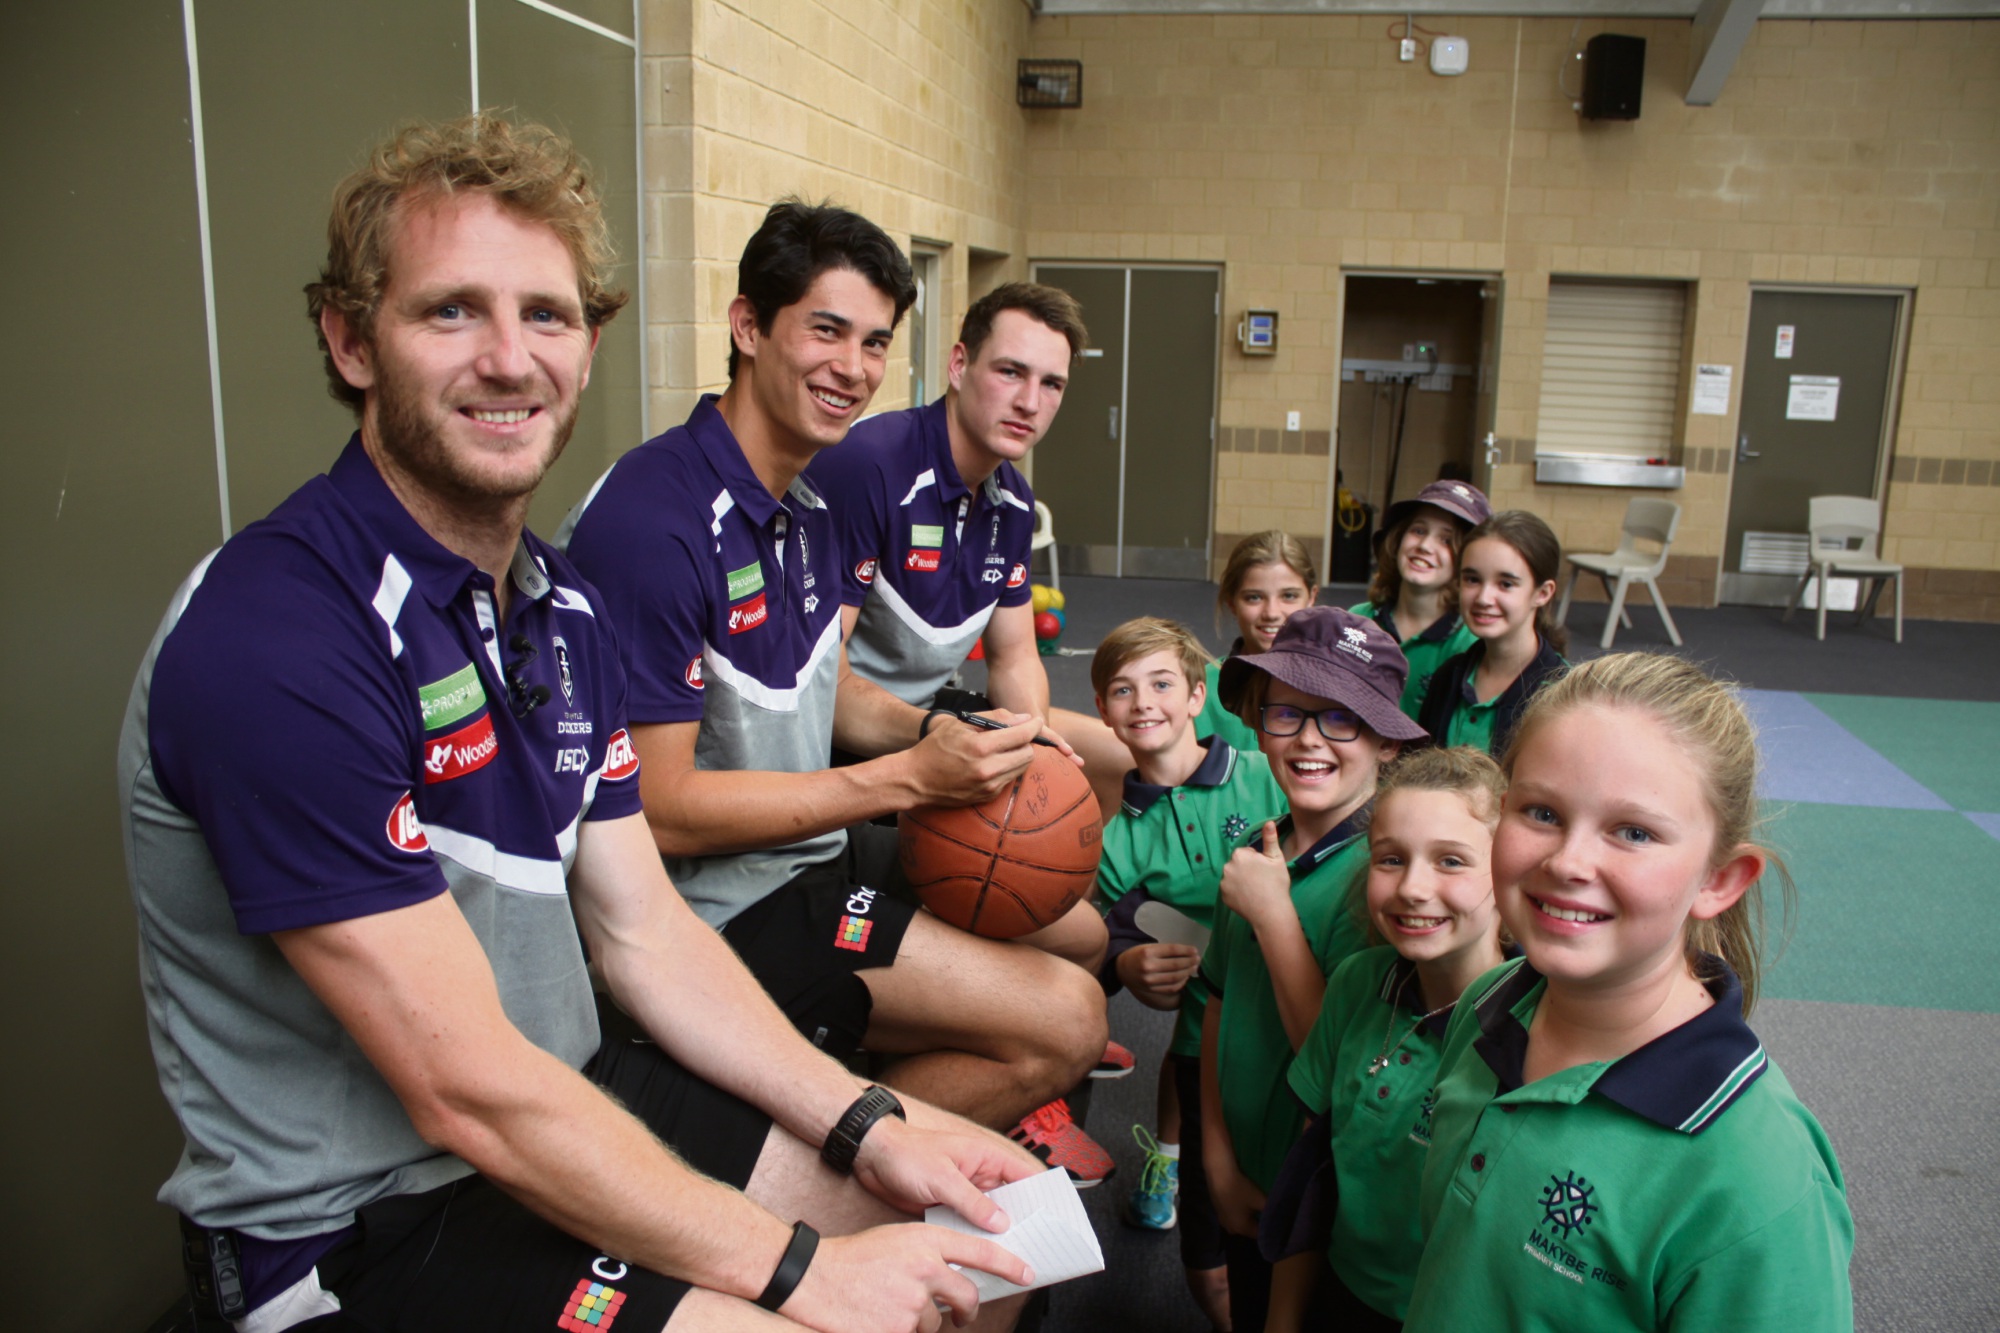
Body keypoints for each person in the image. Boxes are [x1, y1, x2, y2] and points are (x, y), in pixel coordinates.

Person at [121, 116, 1039, 1333]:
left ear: (589, 345)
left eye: (546, 315)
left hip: (572, 1093)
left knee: (993, 1242)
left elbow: (645, 930)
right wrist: (799, 1267)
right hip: (359, 1224)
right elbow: (464, 1088)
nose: (510, 359)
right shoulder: (274, 633)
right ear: (350, 340)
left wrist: (866, 1122)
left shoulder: (559, 609)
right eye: (451, 310)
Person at [559, 200, 1107, 1160]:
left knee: (1075, 932)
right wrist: (904, 780)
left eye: (874, 342)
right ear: (747, 326)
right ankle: (797, 1152)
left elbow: (830, 691)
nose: (852, 367)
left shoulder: (806, 506)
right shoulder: (654, 519)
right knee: (1067, 1020)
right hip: (716, 911)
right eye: (825, 330)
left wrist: (938, 736)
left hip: (809, 854)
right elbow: (660, 811)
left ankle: (849, 1093)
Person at [1404, 653, 1854, 1331]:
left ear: (1719, 880)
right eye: (1542, 812)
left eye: (1634, 832)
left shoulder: (1758, 1183)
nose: (1568, 862)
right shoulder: (1489, 1003)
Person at [804, 281, 1107, 972]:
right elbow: (823, 685)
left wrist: (1030, 752)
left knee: (1096, 802)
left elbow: (1016, 657)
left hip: (931, 724)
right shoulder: (870, 466)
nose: (1030, 401)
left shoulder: (1013, 501)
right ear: (959, 365)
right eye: (1011, 372)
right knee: (1076, 941)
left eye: (1052, 383)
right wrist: (944, 737)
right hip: (841, 752)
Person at [1197, 607, 1428, 1332]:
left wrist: (1273, 916)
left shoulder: (1385, 885)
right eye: (1287, 712)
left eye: (1341, 720)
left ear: (1388, 742)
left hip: (1322, 1206)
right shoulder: (1259, 848)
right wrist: (1215, 1154)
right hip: (1242, 1168)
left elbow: (1338, 1070)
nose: (1307, 739)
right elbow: (1216, 1003)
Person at [1088, 617, 1288, 1329]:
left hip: (1304, 1029)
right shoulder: (1115, 842)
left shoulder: (1265, 777)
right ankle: (1170, 1163)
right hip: (1210, 1043)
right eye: (1122, 690)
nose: (1144, 701)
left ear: (1198, 695)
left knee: (1302, 1235)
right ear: (1103, 712)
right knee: (1211, 1266)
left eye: (1162, 683)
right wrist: (1125, 961)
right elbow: (1103, 941)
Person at [1273, 746, 1510, 1330]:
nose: (1412, 887)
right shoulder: (1358, 983)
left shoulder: (1531, 1031)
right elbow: (1312, 1167)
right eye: (1391, 859)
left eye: (1451, 861)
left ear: (1509, 872)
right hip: (1340, 1286)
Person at [1416, 510, 1568, 756]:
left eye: (1506, 584)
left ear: (1542, 593)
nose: (1483, 598)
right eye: (1472, 579)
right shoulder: (1447, 677)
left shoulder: (1562, 696)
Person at [1348, 480, 1491, 719]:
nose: (1425, 546)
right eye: (1418, 531)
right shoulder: (1356, 620)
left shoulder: (1472, 643)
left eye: (1447, 540)